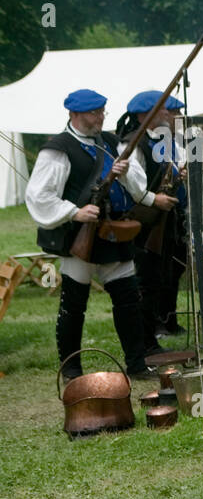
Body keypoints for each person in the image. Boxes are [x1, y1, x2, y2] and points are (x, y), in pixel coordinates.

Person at [26, 89, 162, 379]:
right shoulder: (58, 148)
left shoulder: (111, 142)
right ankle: (72, 369)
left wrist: (124, 172)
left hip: (113, 231)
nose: (100, 117)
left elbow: (138, 187)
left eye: (102, 111)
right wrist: (74, 212)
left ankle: (137, 364)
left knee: (128, 300)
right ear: (75, 115)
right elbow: (39, 196)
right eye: (93, 112)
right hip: (81, 235)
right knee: (74, 305)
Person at [120, 90, 188, 342]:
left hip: (168, 218)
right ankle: (151, 327)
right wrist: (154, 199)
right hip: (146, 221)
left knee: (172, 270)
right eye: (162, 110)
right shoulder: (133, 144)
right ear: (144, 116)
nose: (168, 113)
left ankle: (168, 319)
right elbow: (133, 186)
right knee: (149, 276)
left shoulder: (163, 140)